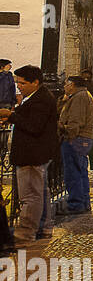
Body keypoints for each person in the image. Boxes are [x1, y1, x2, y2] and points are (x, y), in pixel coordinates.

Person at [0, 66, 58, 243]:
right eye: (18, 82)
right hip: (35, 153)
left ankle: (26, 231)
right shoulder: (37, 97)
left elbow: (34, 125)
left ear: (35, 82)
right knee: (41, 192)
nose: (19, 87)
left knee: (31, 195)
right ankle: (45, 227)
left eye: (23, 83)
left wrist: (11, 116)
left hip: (32, 154)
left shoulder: (41, 100)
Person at [55, 76, 93, 216]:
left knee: (73, 172)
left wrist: (66, 130)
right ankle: (83, 202)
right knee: (80, 171)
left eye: (66, 84)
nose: (64, 87)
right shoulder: (82, 95)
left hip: (76, 138)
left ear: (72, 84)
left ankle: (76, 203)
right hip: (82, 138)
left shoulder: (79, 97)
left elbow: (75, 121)